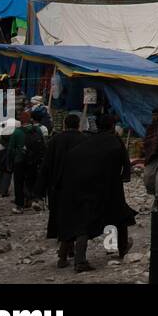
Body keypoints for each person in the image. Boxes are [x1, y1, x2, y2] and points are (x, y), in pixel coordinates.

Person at [57, 114, 135, 273]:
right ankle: (120, 249)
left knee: (81, 222)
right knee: (119, 216)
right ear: (112, 126)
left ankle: (65, 257)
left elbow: (72, 161)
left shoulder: (86, 142)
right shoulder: (115, 142)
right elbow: (126, 170)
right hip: (109, 188)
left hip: (82, 187)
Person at [41, 115, 84, 266]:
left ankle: (65, 253)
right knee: (79, 220)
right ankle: (70, 254)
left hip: (57, 188)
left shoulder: (55, 141)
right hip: (79, 187)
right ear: (79, 124)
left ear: (65, 124)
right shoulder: (84, 140)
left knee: (62, 219)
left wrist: (40, 189)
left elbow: (46, 165)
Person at [8, 111, 45, 211]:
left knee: (19, 183)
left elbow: (10, 150)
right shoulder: (37, 130)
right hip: (33, 160)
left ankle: (19, 206)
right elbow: (42, 145)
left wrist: (13, 157)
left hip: (19, 161)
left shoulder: (17, 132)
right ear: (30, 119)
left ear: (20, 120)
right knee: (32, 180)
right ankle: (34, 200)